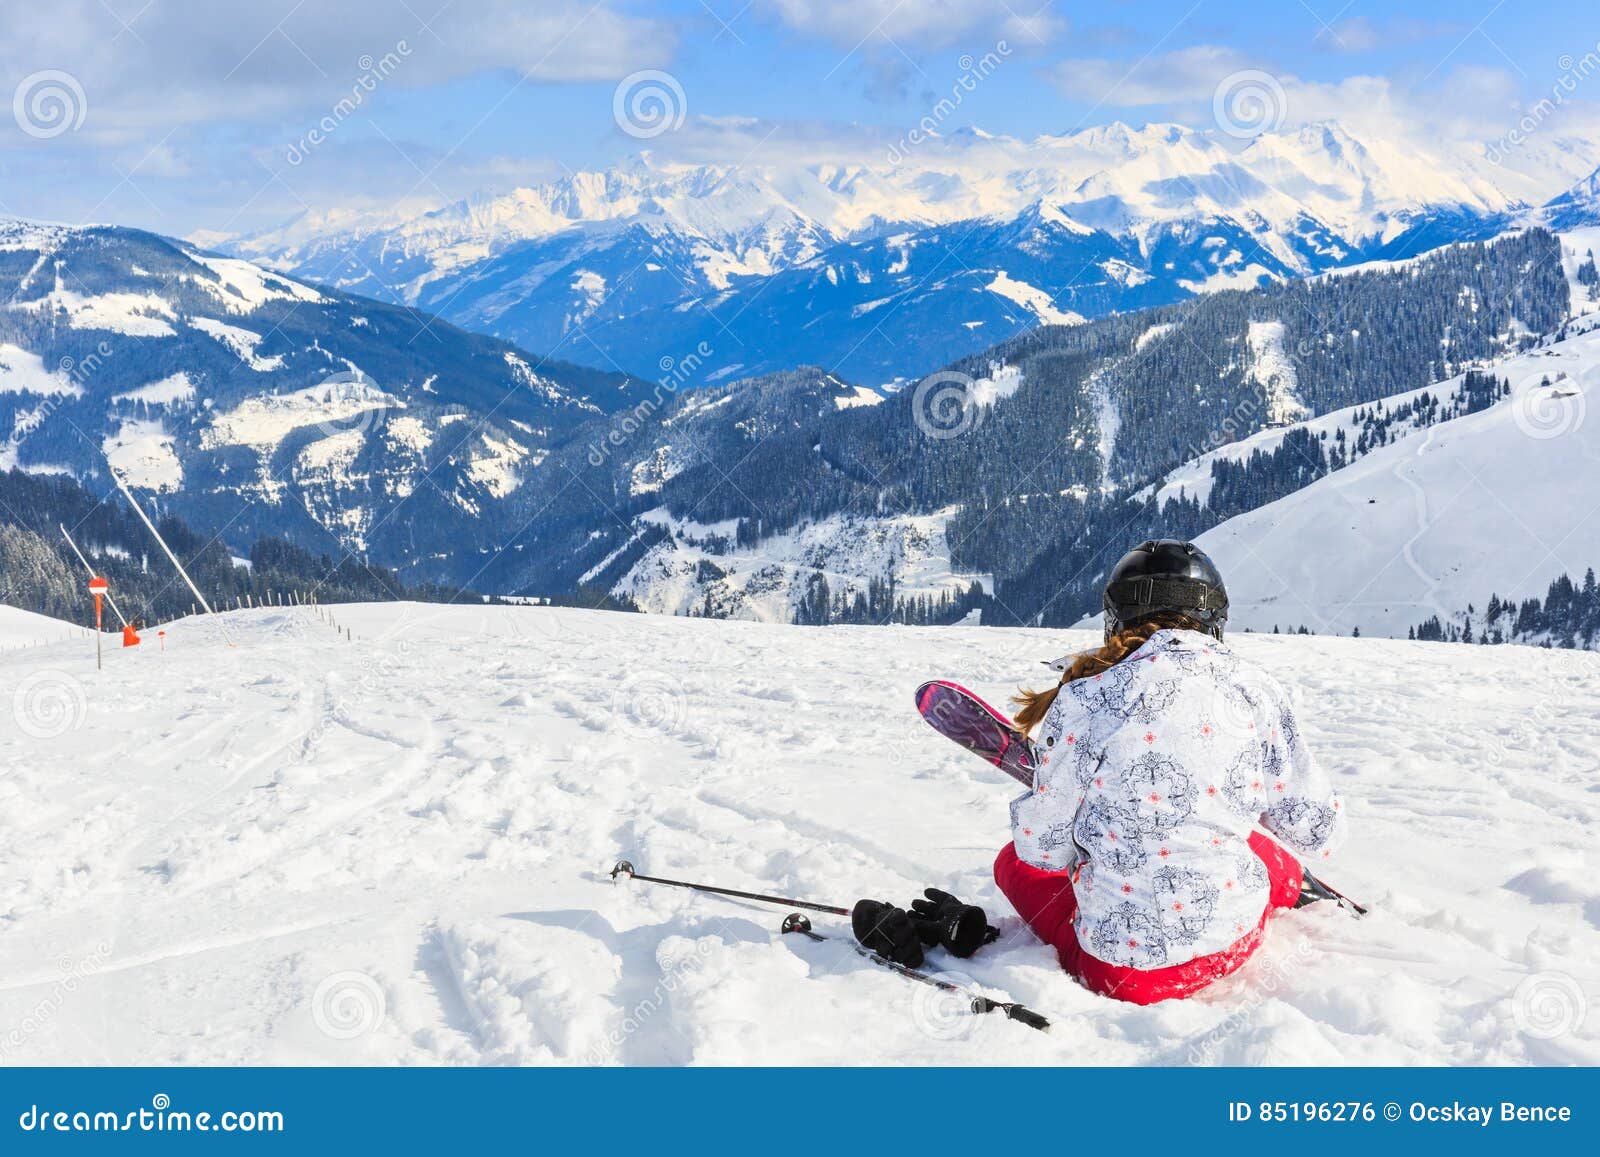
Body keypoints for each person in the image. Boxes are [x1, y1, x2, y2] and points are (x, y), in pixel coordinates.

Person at [992, 539, 1347, 1005]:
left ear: (1115, 618)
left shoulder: (1084, 697)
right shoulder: (1258, 690)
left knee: (1011, 862)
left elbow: (1041, 851)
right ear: (1214, 619)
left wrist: (1088, 839)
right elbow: (1317, 832)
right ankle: (1289, 886)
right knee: (1240, 834)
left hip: (1125, 975)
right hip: (1236, 941)